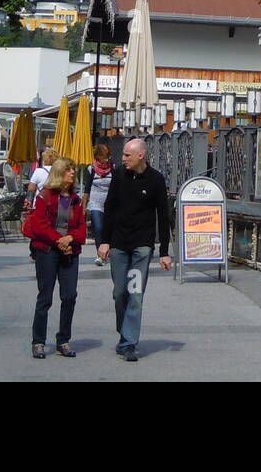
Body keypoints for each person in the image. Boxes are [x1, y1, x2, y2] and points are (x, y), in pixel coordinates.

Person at [97, 137, 172, 362]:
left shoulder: (156, 179)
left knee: (135, 294)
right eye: (123, 156)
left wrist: (164, 251)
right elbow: (109, 207)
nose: (123, 159)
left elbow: (163, 215)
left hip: (142, 246)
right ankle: (124, 333)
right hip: (119, 244)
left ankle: (129, 343)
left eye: (127, 155)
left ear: (141, 156)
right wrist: (104, 241)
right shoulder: (119, 175)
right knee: (120, 292)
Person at [25, 158, 85, 359]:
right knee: (45, 296)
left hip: (69, 250)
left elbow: (82, 229)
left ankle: (63, 339)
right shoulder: (45, 196)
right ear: (60, 173)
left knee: (69, 296)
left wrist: (70, 239)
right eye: (69, 170)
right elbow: (40, 226)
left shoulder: (75, 199)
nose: (73, 173)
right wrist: (59, 240)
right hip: (48, 250)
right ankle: (38, 341)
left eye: (73, 170)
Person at [82, 143, 115, 267]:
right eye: (104, 157)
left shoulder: (113, 168)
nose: (107, 159)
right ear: (98, 156)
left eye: (108, 157)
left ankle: (107, 249)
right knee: (98, 227)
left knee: (109, 228)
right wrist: (84, 207)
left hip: (109, 203)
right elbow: (87, 189)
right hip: (95, 202)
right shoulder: (91, 169)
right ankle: (99, 255)